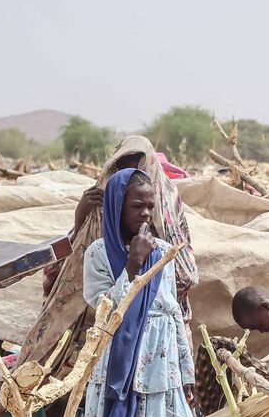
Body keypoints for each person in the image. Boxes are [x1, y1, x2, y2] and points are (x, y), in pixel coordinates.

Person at [78, 168, 198, 417]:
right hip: (120, 371)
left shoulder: (164, 252)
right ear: (117, 207)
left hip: (162, 372)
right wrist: (131, 265)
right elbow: (104, 309)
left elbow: (174, 313)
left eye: (150, 206)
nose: (145, 213)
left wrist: (188, 373)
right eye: (136, 206)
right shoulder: (98, 254)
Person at [27, 135, 198, 376]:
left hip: (158, 333)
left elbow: (185, 273)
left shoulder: (165, 203)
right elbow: (69, 267)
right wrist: (80, 217)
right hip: (106, 322)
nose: (129, 173)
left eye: (136, 165)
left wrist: (149, 257)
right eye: (122, 165)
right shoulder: (102, 200)